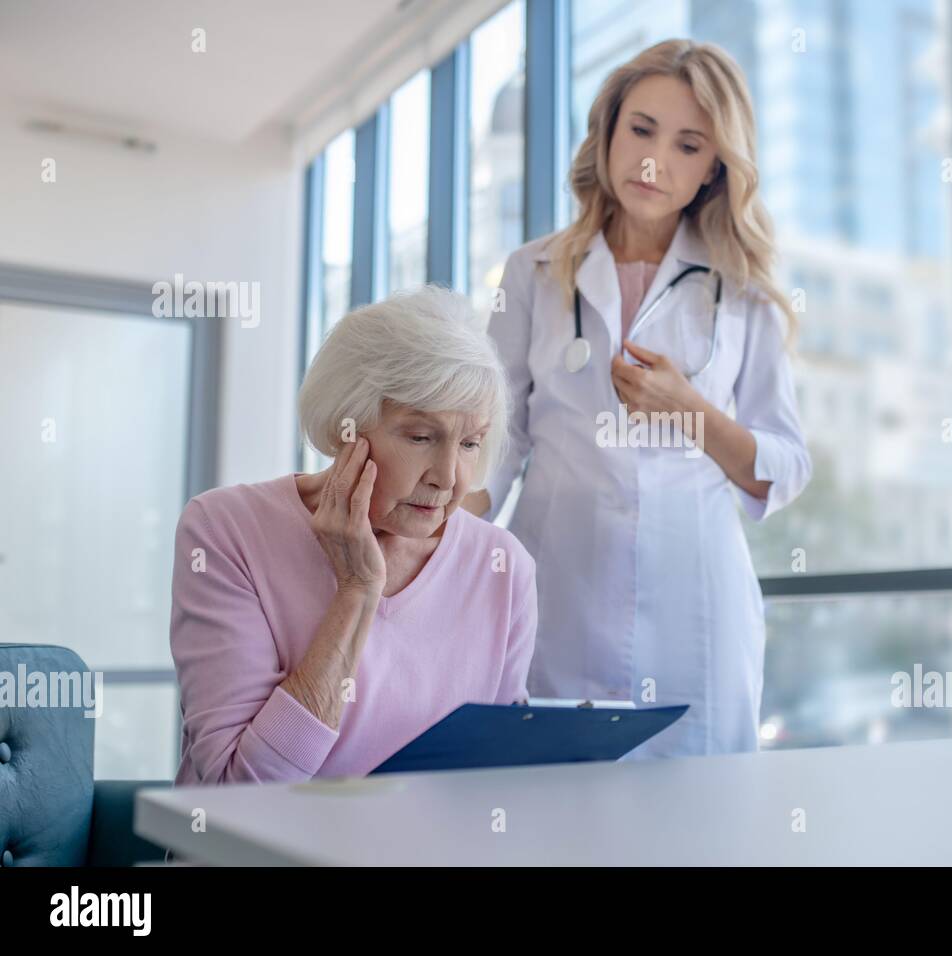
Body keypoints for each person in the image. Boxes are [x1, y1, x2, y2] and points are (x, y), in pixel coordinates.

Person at [468, 39, 810, 757]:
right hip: (559, 588)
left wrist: (689, 409)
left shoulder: (743, 289)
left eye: (688, 144)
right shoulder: (532, 271)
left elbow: (783, 465)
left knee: (697, 829)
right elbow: (494, 441)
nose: (655, 161)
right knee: (557, 816)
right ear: (609, 131)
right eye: (641, 130)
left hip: (695, 605)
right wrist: (429, 548)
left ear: (714, 168)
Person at [170, 286, 536, 784]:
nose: (447, 477)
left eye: (470, 443)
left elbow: (495, 782)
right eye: (421, 437)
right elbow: (240, 789)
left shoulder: (503, 565)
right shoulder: (225, 529)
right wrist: (357, 593)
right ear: (346, 428)